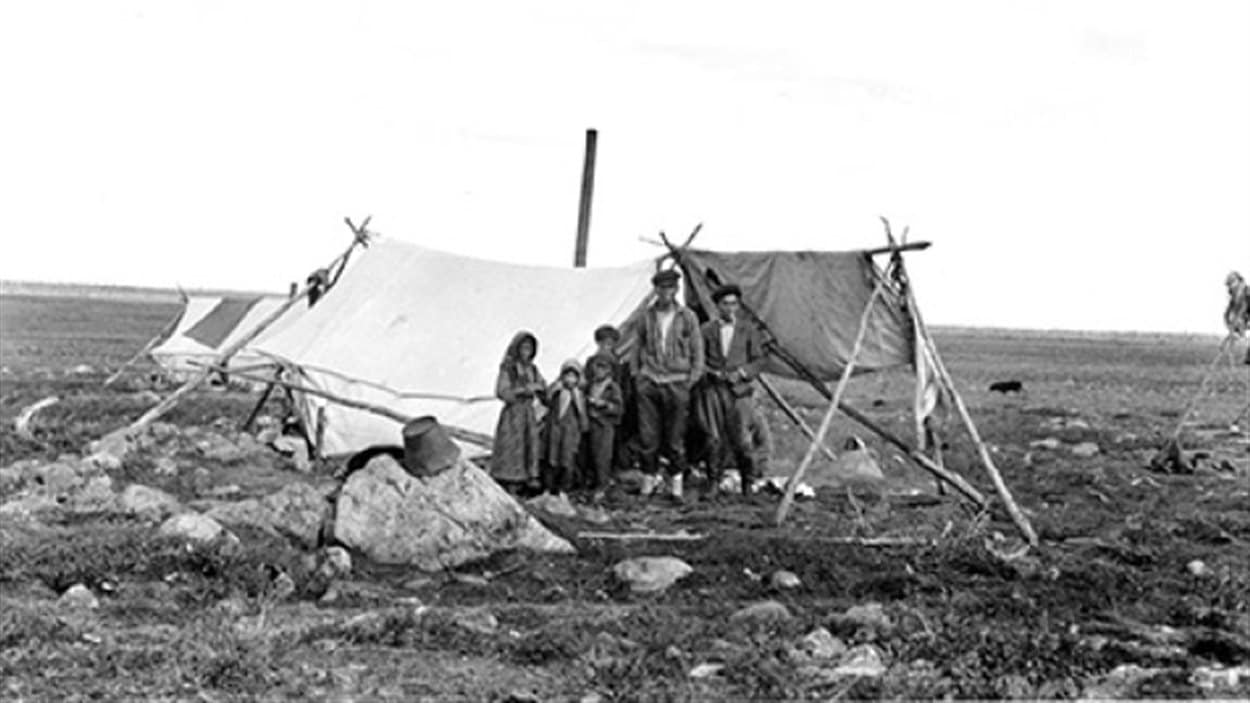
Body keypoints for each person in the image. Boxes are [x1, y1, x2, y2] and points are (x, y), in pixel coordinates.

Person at [633, 268, 704, 500]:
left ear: (676, 290)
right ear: (656, 290)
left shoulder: (687, 317)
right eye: (662, 288)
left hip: (677, 381)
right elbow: (637, 346)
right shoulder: (646, 316)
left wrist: (691, 378)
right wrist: (638, 375)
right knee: (648, 435)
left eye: (670, 288)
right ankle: (648, 481)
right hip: (650, 380)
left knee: (675, 437)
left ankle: (676, 485)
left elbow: (697, 350)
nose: (666, 293)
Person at [694, 283, 766, 494]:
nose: (729, 308)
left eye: (733, 304)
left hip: (739, 390)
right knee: (713, 437)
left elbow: (759, 360)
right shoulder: (706, 330)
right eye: (725, 304)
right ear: (717, 306)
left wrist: (742, 373)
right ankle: (714, 482)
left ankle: (748, 482)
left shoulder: (748, 329)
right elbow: (698, 358)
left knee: (742, 438)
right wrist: (710, 371)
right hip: (713, 390)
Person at [490, 331, 547, 493]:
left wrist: (541, 389)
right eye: (523, 348)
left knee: (529, 443)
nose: (526, 352)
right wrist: (522, 390)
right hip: (513, 413)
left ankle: (526, 478)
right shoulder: (508, 368)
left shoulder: (533, 369)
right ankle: (508, 479)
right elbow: (501, 391)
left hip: (528, 413)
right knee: (512, 445)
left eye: (529, 349)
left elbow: (543, 385)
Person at [542, 360, 588, 497]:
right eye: (567, 375)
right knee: (552, 459)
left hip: (570, 432)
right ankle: (549, 488)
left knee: (567, 460)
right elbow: (546, 400)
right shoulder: (557, 391)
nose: (570, 379)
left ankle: (564, 488)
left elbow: (582, 414)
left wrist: (582, 427)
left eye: (573, 376)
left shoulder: (578, 395)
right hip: (555, 430)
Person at [583, 352, 624, 499]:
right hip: (591, 424)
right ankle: (594, 483)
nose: (598, 370)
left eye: (603, 367)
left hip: (605, 425)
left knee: (603, 456)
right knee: (592, 454)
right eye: (597, 366)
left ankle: (603, 485)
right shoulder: (591, 384)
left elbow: (619, 409)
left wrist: (605, 405)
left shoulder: (612, 387)